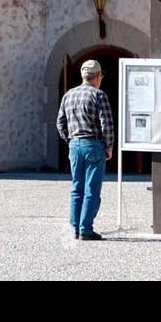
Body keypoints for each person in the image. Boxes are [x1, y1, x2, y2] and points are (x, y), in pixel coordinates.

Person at [56, 59, 114, 241]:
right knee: (92, 189)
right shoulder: (99, 95)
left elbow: (60, 123)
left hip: (75, 145)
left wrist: (70, 139)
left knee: (77, 188)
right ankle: (85, 229)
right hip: (93, 145)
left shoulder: (68, 95)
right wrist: (108, 146)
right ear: (97, 76)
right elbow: (107, 124)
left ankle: (74, 227)